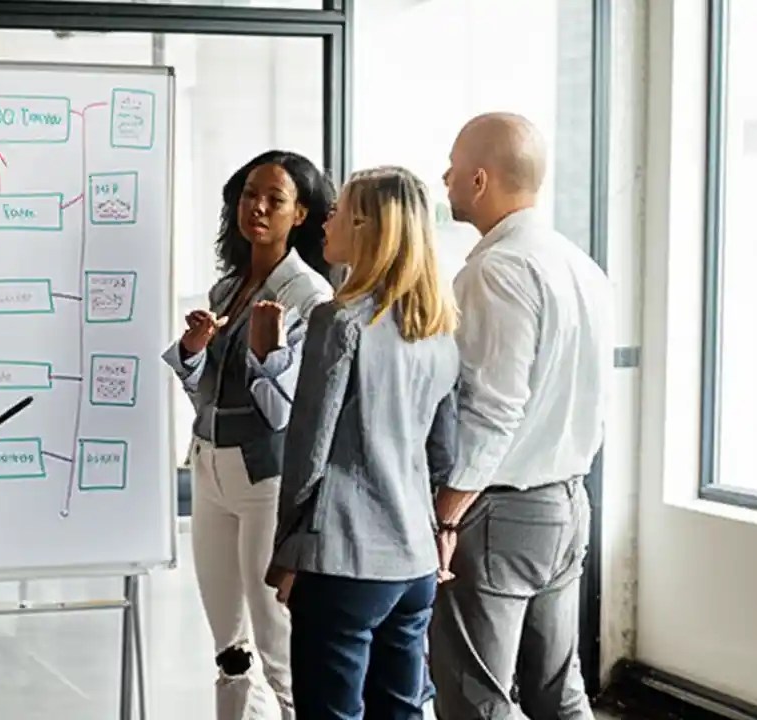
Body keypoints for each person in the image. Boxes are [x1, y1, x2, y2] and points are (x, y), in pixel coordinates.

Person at [429, 112, 611, 720]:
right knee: (559, 694)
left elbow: (491, 408)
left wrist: (445, 513)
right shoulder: (581, 267)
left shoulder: (496, 270)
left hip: (499, 512)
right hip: (567, 504)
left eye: (454, 166)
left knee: (474, 700)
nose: (445, 176)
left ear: (479, 180)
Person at [264, 165, 460, 720]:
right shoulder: (439, 330)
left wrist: (287, 553)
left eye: (337, 209)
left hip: (343, 559)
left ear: (366, 225)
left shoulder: (339, 320)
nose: (326, 220)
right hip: (413, 565)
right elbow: (445, 456)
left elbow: (307, 450)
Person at [162, 150, 335, 719]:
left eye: (274, 199)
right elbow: (205, 393)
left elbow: (286, 412)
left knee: (275, 639)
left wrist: (270, 351)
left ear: (301, 213)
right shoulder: (227, 288)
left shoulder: (310, 297)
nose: (257, 208)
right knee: (230, 648)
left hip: (266, 479)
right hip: (209, 467)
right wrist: (191, 354)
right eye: (248, 195)